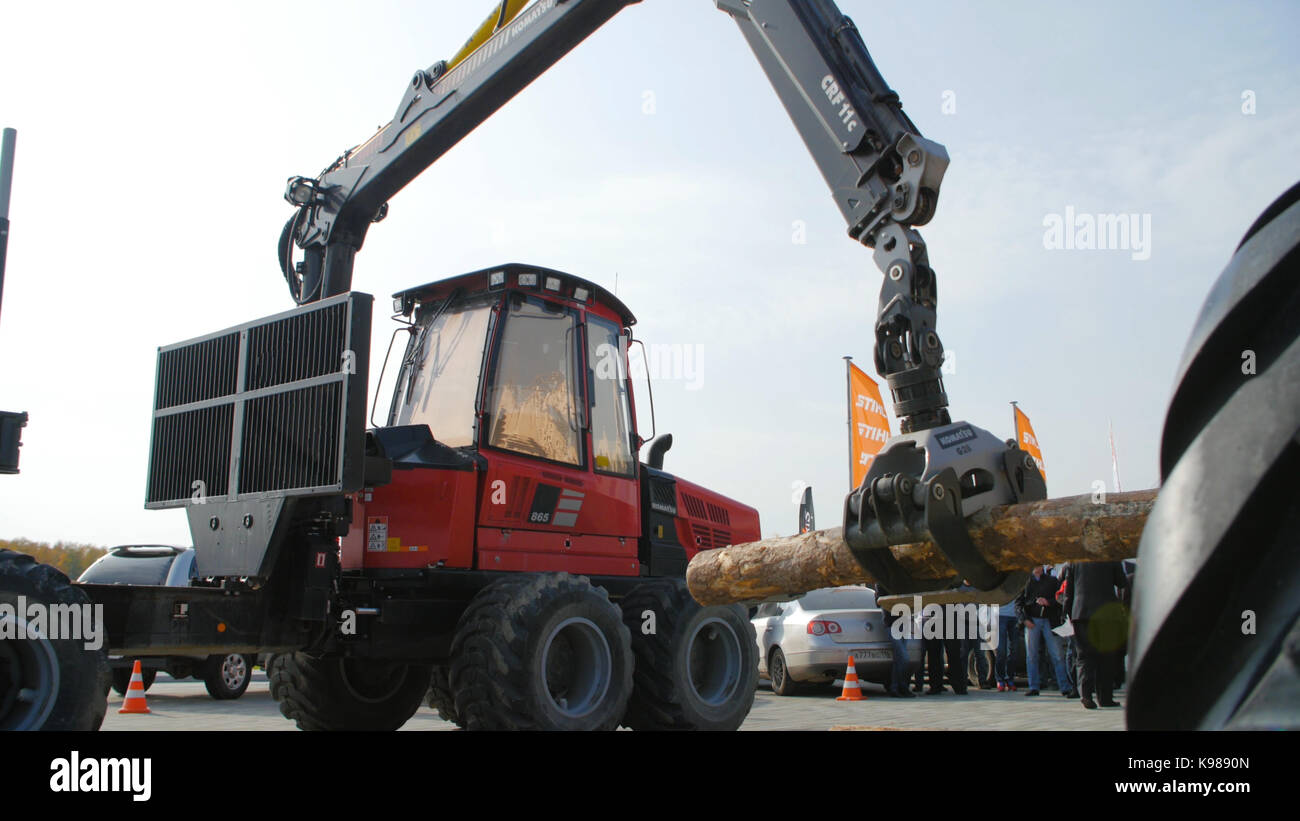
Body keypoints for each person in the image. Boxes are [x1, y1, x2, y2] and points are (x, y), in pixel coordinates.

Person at [1062, 560, 1129, 709]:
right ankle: (1105, 698)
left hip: (1081, 612)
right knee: (1106, 657)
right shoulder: (1110, 557)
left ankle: (1086, 695)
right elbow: (1122, 582)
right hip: (1107, 614)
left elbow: (1069, 589)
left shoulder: (1075, 560)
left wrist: (1066, 613)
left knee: (1084, 656)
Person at [1016, 565, 1077, 698]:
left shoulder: (1052, 580)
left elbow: (1059, 598)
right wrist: (1024, 619)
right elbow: (1018, 603)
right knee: (1032, 656)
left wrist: (1048, 602)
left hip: (1049, 621)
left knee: (1057, 654)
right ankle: (1033, 686)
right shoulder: (1026, 582)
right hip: (1032, 621)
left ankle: (1065, 686)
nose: (1036, 568)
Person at [877, 584, 916, 698]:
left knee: (899, 658)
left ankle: (898, 687)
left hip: (904, 622)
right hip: (892, 623)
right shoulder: (881, 584)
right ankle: (900, 687)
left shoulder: (900, 583)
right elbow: (878, 601)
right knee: (904, 657)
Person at [995, 595, 1019, 691]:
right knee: (1001, 650)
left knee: (1014, 650)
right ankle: (1000, 679)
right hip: (999, 615)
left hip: (1015, 616)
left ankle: (1010, 678)